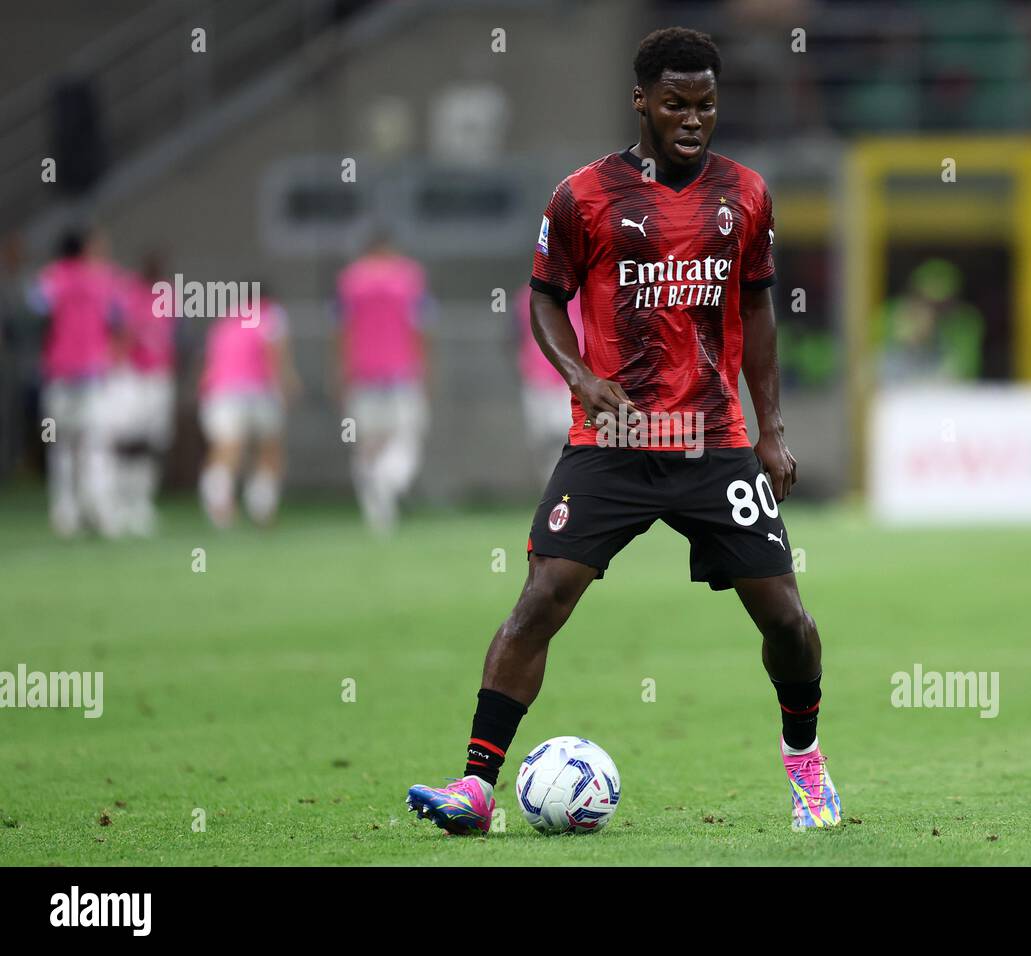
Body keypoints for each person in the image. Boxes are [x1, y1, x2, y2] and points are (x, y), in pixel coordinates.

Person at [407, 27, 839, 833]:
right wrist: (580, 377)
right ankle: (475, 786)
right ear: (640, 99)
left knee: (788, 621)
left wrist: (770, 430)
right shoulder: (583, 196)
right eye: (675, 103)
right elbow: (541, 297)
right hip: (613, 442)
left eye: (706, 104)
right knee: (541, 599)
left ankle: (806, 765)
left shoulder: (745, 194)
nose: (692, 119)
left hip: (713, 441)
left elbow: (757, 306)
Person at [29, 227, 123, 537]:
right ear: (85, 247)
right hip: (93, 375)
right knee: (96, 446)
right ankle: (99, 512)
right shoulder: (104, 279)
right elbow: (118, 319)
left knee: (61, 448)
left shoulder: (50, 278)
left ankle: (65, 515)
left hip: (58, 373)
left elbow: (36, 312)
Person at [336, 236, 433, 532]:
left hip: (362, 375)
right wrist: (426, 368)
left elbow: (341, 330)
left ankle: (378, 514)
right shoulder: (410, 277)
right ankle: (388, 480)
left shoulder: (349, 280)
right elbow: (422, 326)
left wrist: (340, 373)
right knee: (408, 436)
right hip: (401, 374)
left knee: (367, 444)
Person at [197, 293, 298, 528]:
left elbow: (209, 360)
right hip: (257, 389)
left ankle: (219, 506)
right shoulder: (272, 315)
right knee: (269, 450)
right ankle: (262, 507)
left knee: (225, 450)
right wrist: (285, 384)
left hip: (220, 391)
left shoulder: (225, 320)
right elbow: (275, 351)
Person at [108, 253, 176, 535]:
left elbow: (169, 336)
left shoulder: (168, 295)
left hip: (158, 375)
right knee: (125, 441)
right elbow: (118, 331)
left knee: (152, 443)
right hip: (131, 375)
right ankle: (119, 501)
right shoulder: (128, 291)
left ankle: (142, 500)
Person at [512, 282, 583, 486]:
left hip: (572, 380)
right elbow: (515, 335)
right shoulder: (526, 295)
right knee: (542, 441)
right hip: (538, 379)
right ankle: (554, 487)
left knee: (568, 436)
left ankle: (571, 487)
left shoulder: (582, 293)